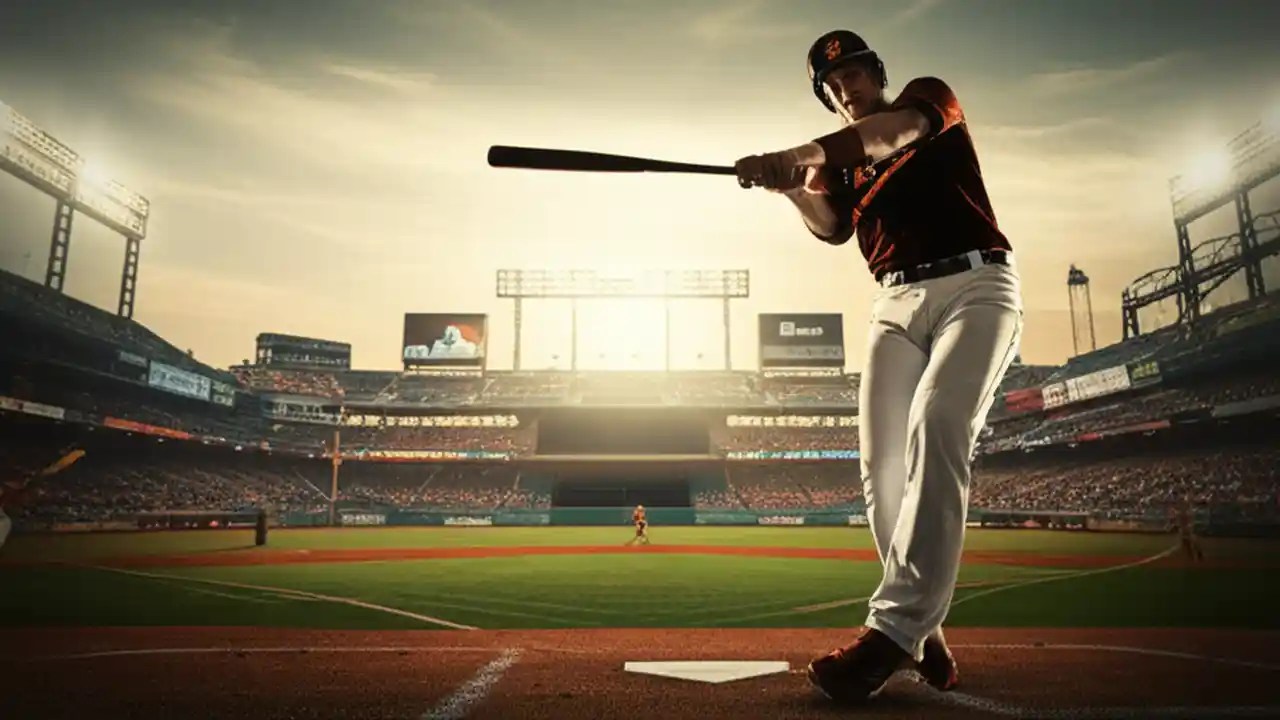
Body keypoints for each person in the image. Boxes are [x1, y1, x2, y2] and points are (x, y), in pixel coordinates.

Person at [735, 29, 1023, 704]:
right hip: (894, 300)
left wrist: (799, 153)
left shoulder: (926, 101)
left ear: (876, 71)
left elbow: (887, 137)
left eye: (854, 73)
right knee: (880, 466)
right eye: (832, 85)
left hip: (976, 285)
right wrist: (787, 185)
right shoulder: (837, 161)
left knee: (940, 420)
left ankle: (893, 633)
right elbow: (833, 226)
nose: (846, 89)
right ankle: (925, 632)